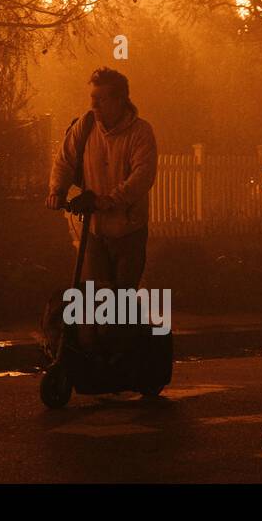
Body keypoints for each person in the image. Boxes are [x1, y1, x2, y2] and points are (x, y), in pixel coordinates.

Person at [46, 67, 158, 349]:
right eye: (92, 98)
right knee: (92, 291)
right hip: (93, 229)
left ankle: (125, 352)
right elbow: (64, 160)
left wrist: (112, 199)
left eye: (101, 99)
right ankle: (94, 350)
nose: (93, 104)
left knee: (122, 295)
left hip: (128, 228)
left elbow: (142, 175)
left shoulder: (141, 133)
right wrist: (57, 191)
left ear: (120, 100)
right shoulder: (84, 127)